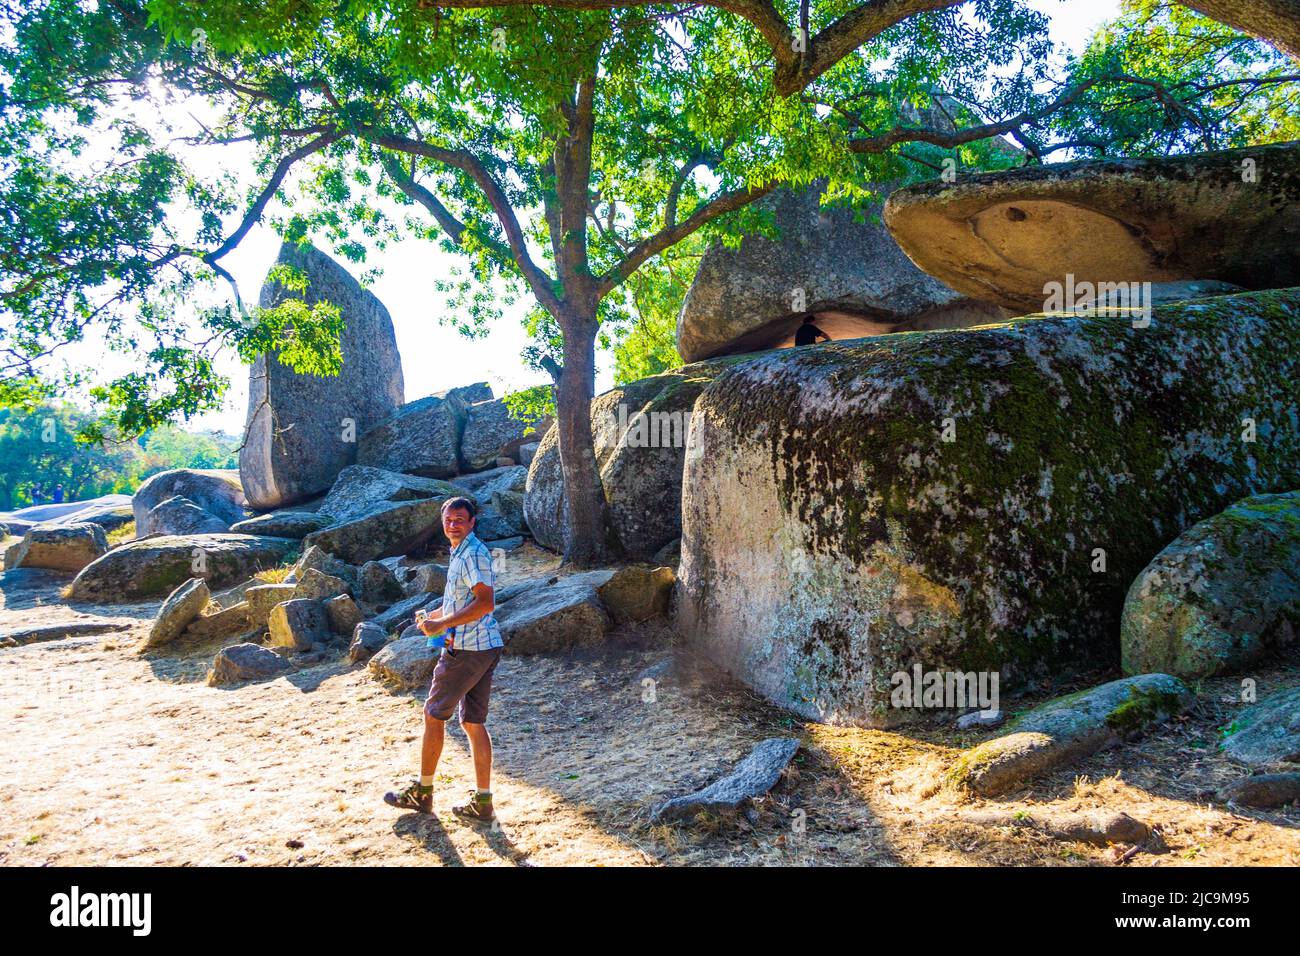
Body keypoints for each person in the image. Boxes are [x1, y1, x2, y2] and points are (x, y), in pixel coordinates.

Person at [384, 496, 504, 823]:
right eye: (449, 519)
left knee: (433, 716)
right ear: (443, 522)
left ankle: (422, 793)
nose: (453, 524)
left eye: (460, 519)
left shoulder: (474, 554)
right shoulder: (462, 551)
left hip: (465, 649)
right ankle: (483, 801)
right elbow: (463, 602)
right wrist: (434, 615)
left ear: (472, 521)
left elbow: (485, 603)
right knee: (473, 723)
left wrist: (444, 624)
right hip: (484, 646)